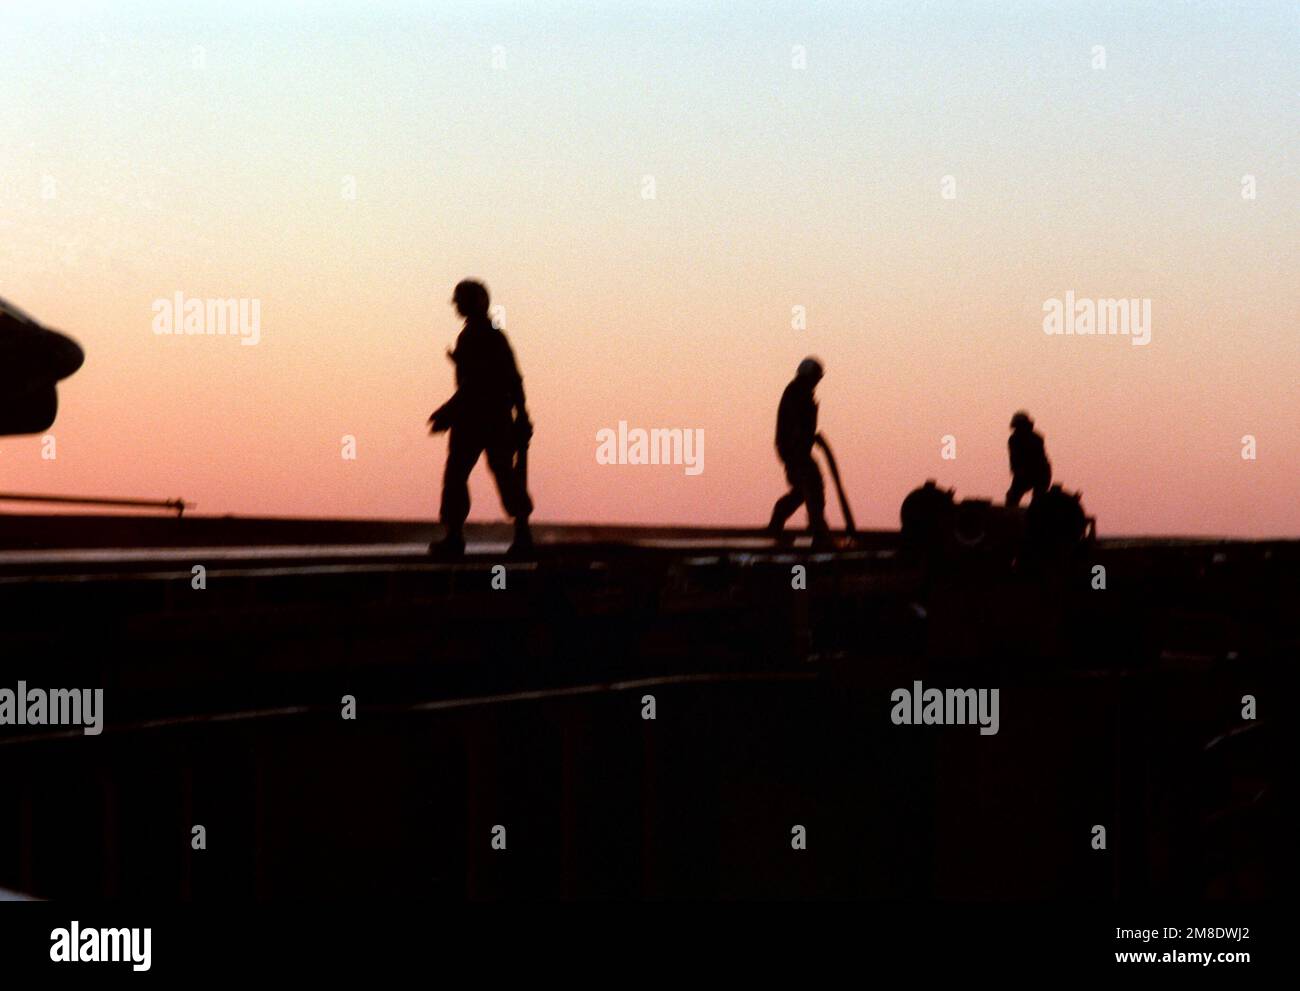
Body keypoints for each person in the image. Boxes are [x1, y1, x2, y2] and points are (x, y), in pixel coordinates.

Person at [428, 280, 533, 558]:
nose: (458, 307)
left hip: (478, 418)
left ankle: (456, 538)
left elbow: (479, 383)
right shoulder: (489, 336)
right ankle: (520, 534)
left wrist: (447, 413)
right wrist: (521, 415)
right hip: (490, 418)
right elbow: (513, 379)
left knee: (461, 475)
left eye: (462, 301)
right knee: (498, 474)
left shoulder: (480, 337)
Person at [766, 357, 832, 549]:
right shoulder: (797, 392)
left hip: (797, 450)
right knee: (812, 486)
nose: (817, 381)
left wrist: (811, 438)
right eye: (816, 377)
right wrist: (804, 442)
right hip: (795, 451)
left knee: (804, 490)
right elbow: (796, 423)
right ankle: (818, 528)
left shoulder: (802, 392)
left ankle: (780, 519)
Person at [1006, 410, 1051, 507]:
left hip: (1039, 473)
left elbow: (1037, 459)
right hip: (1025, 473)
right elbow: (1014, 459)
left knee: (1038, 501)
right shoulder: (1015, 439)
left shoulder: (1035, 438)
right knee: (1012, 497)